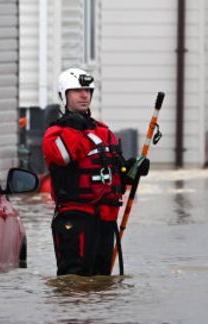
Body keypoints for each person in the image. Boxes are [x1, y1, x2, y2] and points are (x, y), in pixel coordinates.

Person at [41, 68, 149, 276]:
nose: (84, 95)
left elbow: (116, 175)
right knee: (74, 281)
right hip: (76, 218)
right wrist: (74, 129)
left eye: (88, 90)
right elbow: (63, 156)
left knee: (102, 282)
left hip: (106, 220)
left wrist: (134, 169)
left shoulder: (103, 131)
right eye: (77, 91)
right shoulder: (56, 133)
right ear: (64, 95)